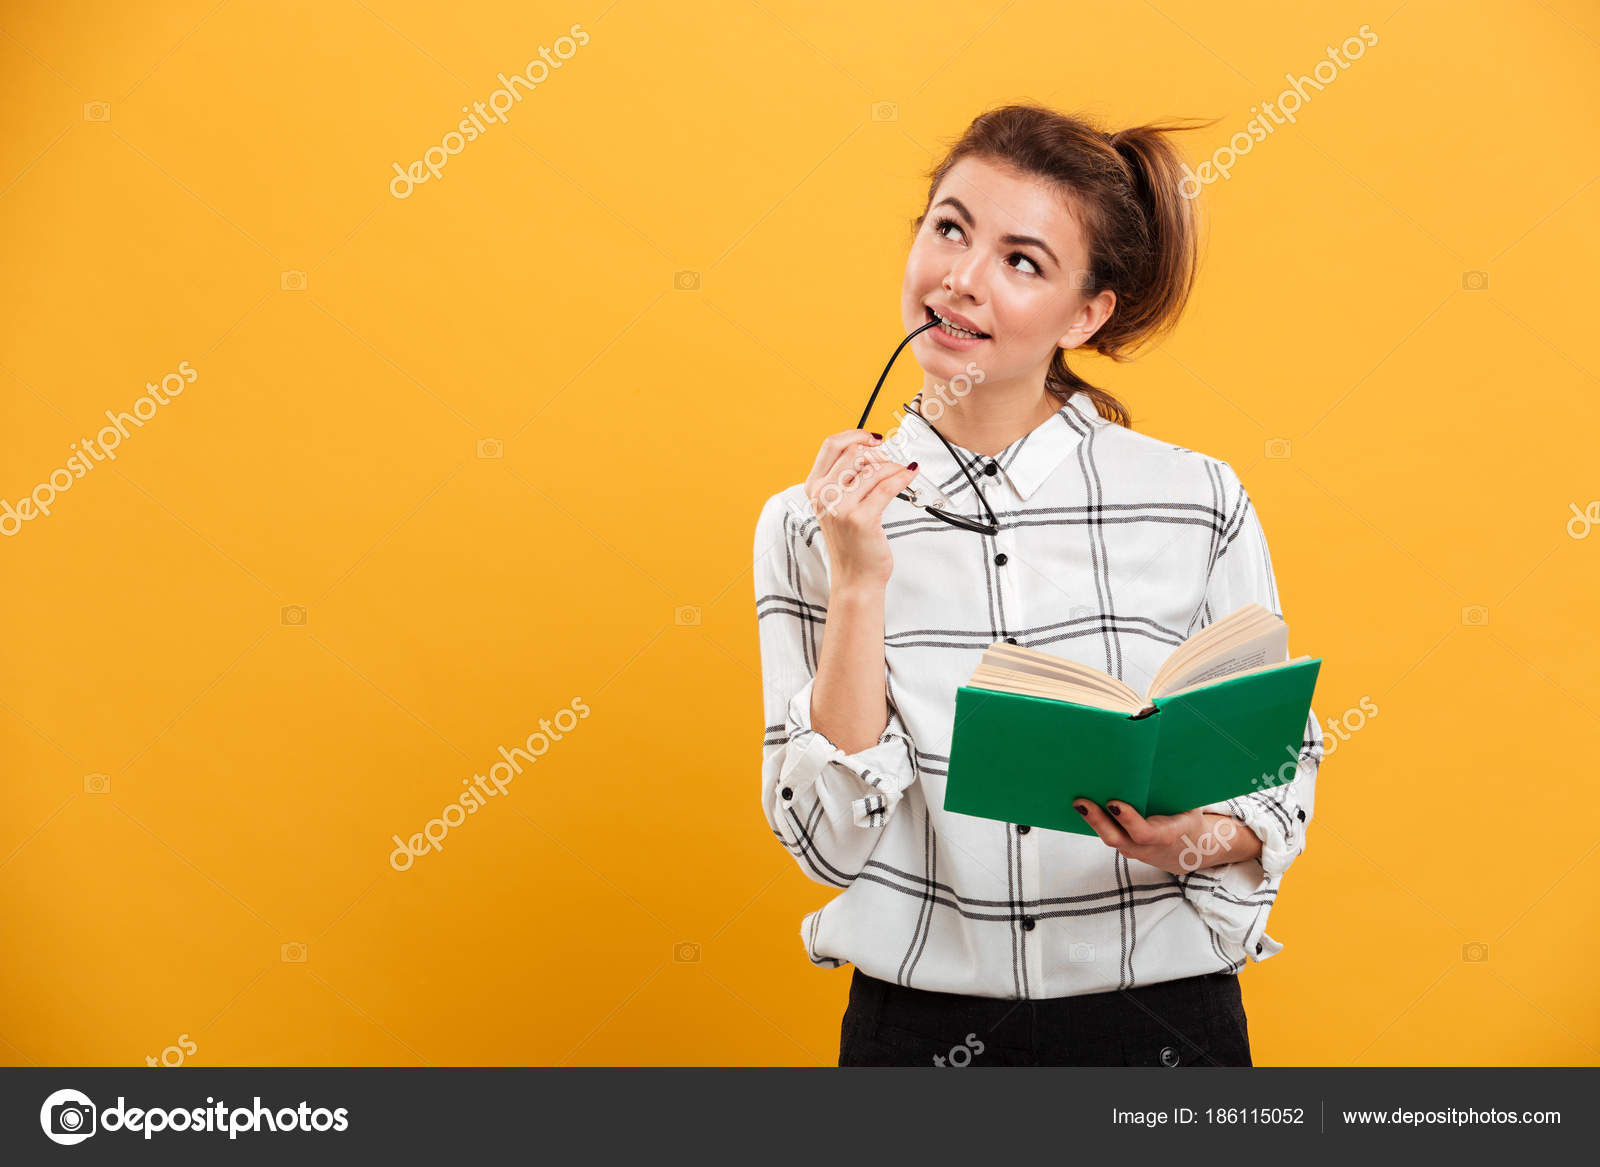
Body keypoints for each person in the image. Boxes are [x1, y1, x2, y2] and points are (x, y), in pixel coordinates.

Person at [752, 104, 1324, 1067]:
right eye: (949, 228)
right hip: (917, 1032)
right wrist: (857, 582)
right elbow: (822, 844)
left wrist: (1190, 836)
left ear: (1087, 313)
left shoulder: (1196, 497)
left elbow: (1281, 776)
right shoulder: (810, 522)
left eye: (1022, 261)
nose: (961, 280)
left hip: (1161, 1025)